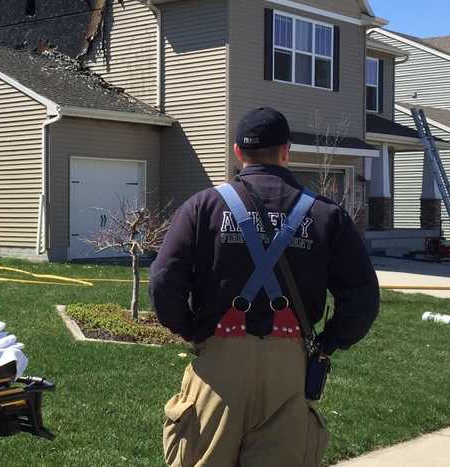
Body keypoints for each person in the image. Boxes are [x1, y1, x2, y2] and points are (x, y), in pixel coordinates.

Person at [149, 107, 380, 467]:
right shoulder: (327, 215)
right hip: (288, 372)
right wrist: (328, 343)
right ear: (286, 151)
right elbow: (362, 300)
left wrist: (192, 329)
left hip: (218, 368)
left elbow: (164, 282)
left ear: (237, 152)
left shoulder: (203, 207)